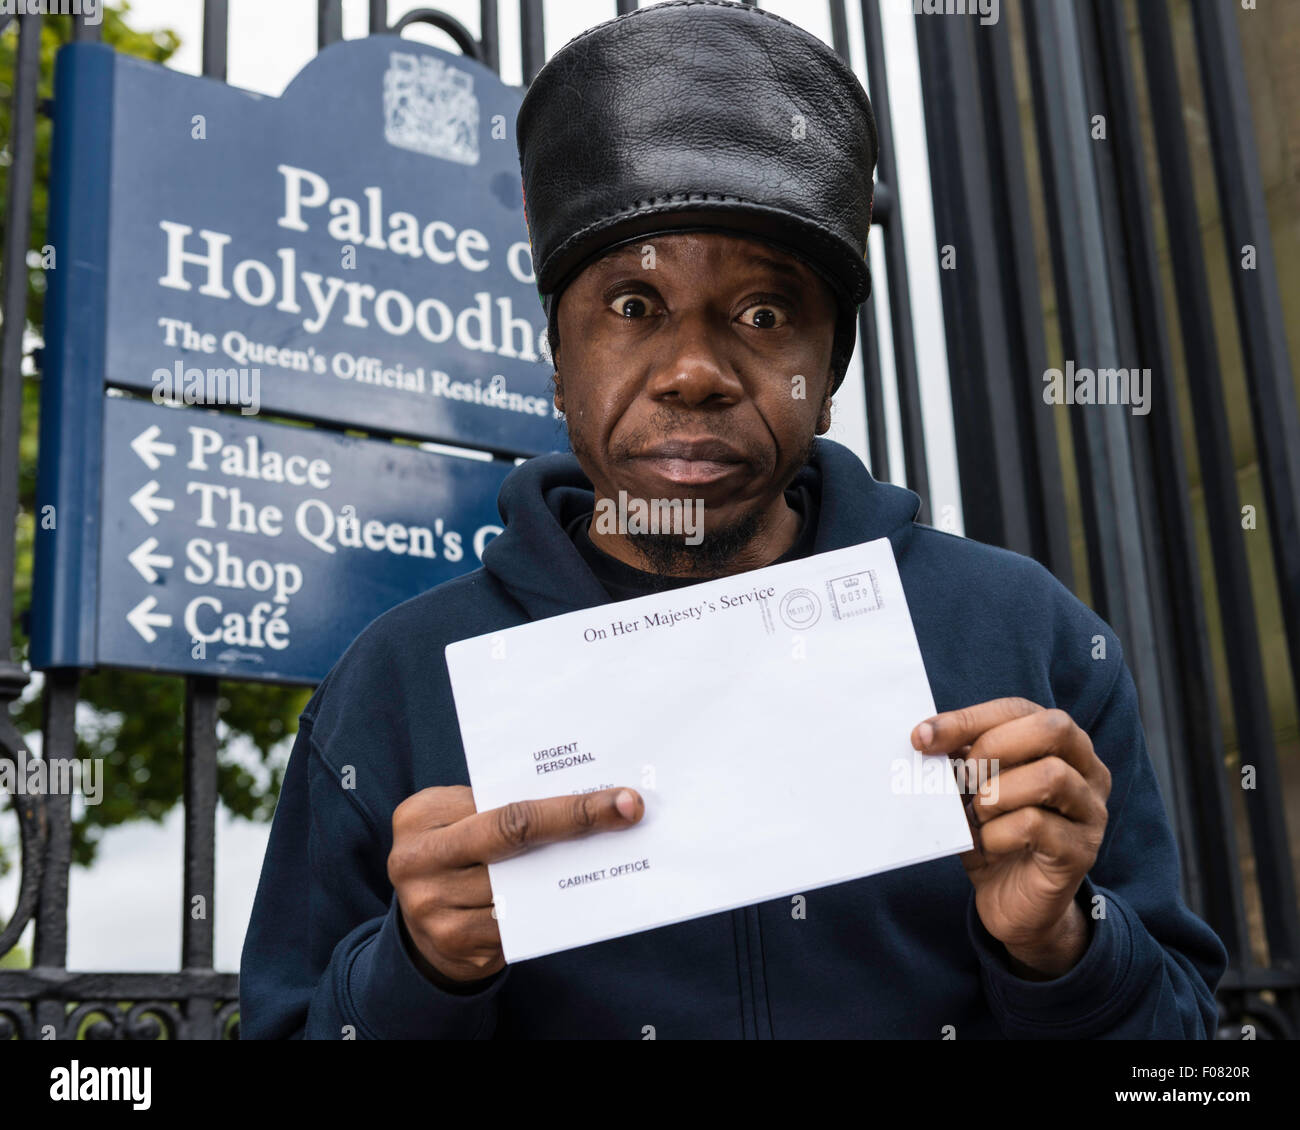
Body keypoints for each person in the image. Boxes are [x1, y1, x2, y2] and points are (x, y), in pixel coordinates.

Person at [239, 0, 1226, 1039]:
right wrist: (416, 970)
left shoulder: (1020, 632)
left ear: (829, 374)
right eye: (631, 304)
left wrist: (1062, 944)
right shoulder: (398, 680)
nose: (696, 370)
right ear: (559, 364)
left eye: (765, 313)